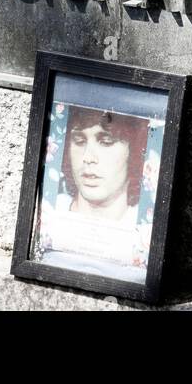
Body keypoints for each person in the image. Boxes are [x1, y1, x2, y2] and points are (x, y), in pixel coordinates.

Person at [36, 105, 153, 272]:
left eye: (106, 142)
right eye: (79, 140)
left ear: (134, 150)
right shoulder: (50, 209)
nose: (88, 158)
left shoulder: (145, 227)